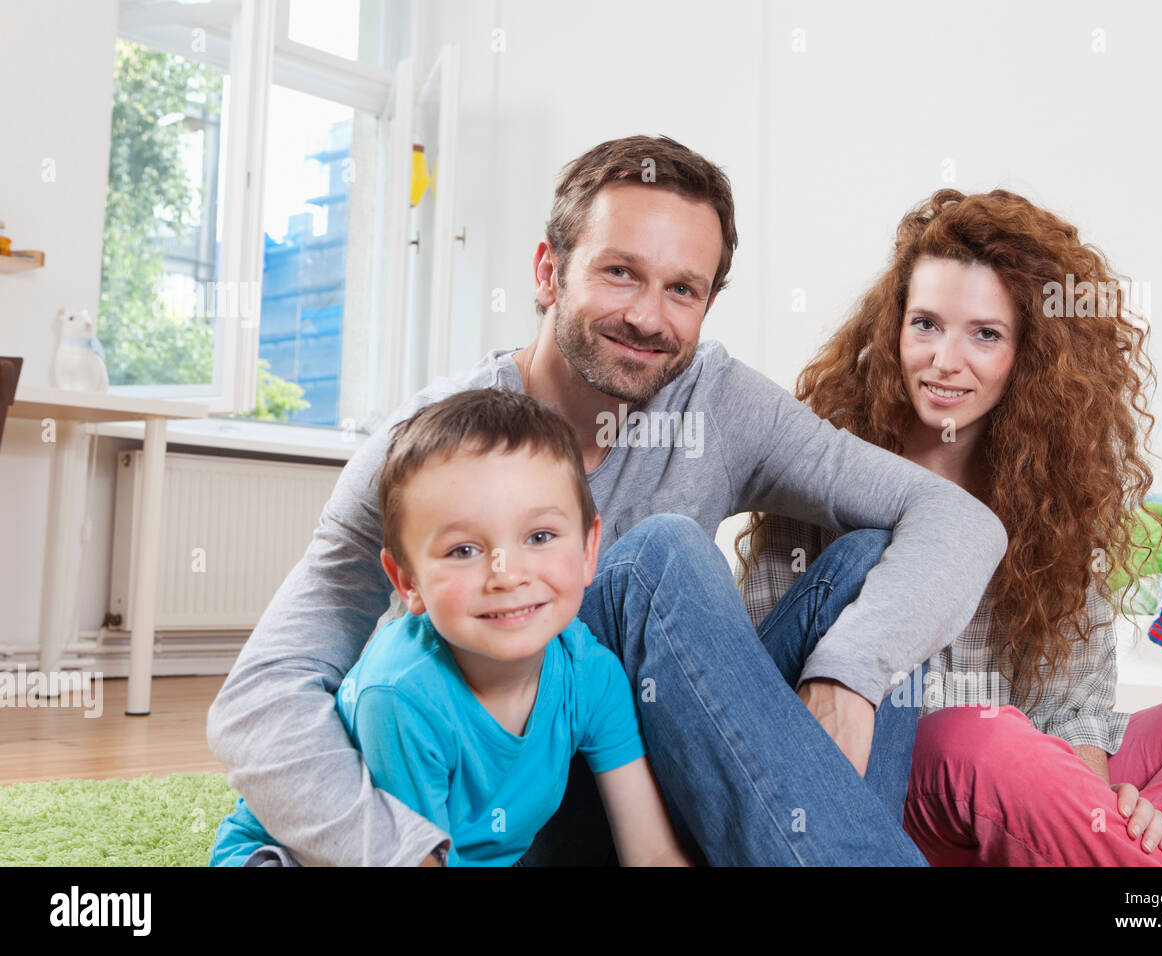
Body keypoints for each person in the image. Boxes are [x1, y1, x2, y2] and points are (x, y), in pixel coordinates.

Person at [207, 136, 1007, 867]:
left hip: (648, 774)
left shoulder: (721, 404)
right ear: (549, 272)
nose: (647, 317)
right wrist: (406, 851)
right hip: (506, 795)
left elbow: (959, 522)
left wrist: (848, 675)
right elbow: (258, 701)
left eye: (682, 289)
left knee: (871, 565)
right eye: (619, 271)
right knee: (660, 555)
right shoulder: (430, 449)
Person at [735, 188, 1162, 866]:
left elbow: (1078, 705)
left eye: (985, 334)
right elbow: (772, 674)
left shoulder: (1056, 490)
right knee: (985, 739)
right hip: (915, 786)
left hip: (1037, 782)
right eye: (925, 324)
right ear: (892, 330)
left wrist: (1095, 809)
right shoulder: (827, 469)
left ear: (1029, 354)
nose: (946, 359)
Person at [209, 389, 690, 866]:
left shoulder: (593, 676)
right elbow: (411, 857)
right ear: (407, 581)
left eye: (539, 536)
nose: (507, 574)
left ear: (588, 550)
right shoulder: (401, 693)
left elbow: (651, 851)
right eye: (463, 550)